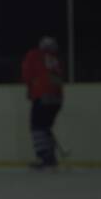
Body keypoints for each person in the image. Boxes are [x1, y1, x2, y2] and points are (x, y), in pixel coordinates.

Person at [21, 36, 64, 169]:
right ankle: (51, 157)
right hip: (57, 98)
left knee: (37, 127)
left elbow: (27, 73)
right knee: (45, 127)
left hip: (42, 96)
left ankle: (45, 158)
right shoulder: (55, 59)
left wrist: (29, 88)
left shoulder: (35, 55)